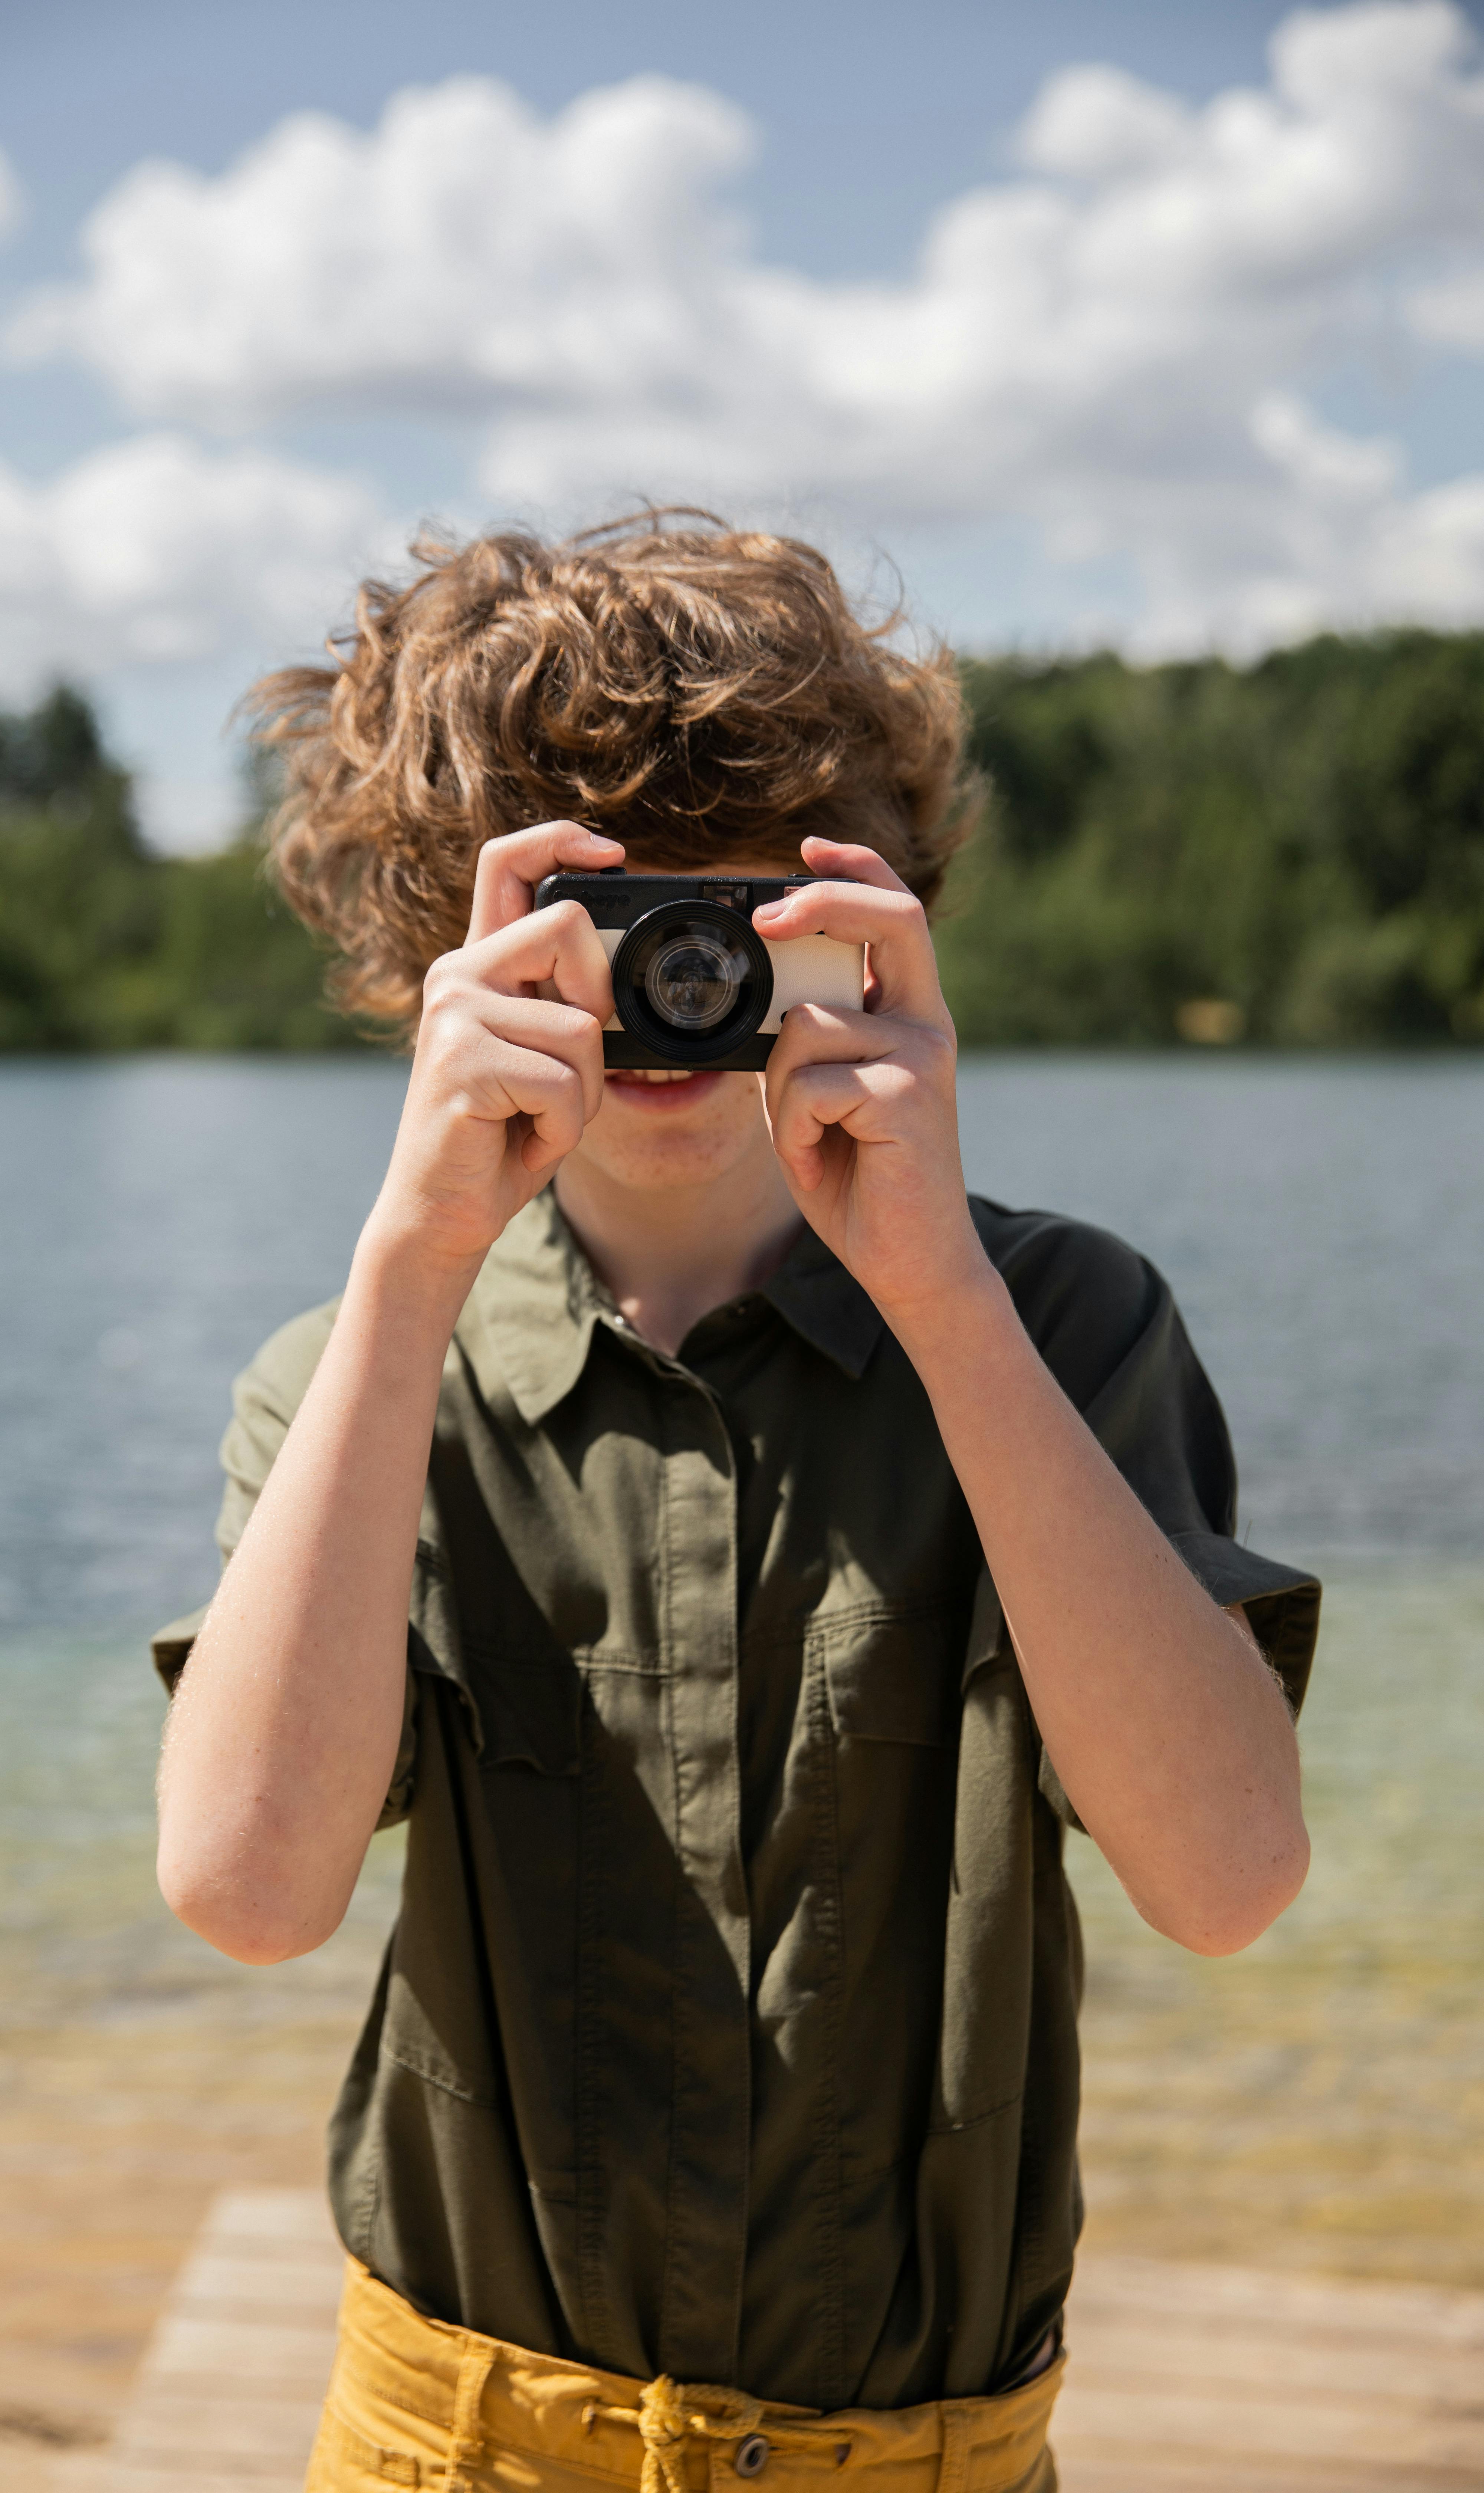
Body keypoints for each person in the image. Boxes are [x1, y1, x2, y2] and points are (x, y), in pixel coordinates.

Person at [151, 515, 1320, 2493]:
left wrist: (940, 1294)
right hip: (461, 2442)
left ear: (867, 907)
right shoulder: (353, 1373)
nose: (668, 970)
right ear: (443, 940)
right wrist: (412, 1269)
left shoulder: (1056, 1322)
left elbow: (1225, 1878)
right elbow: (253, 1892)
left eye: (735, 899)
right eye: (591, 903)